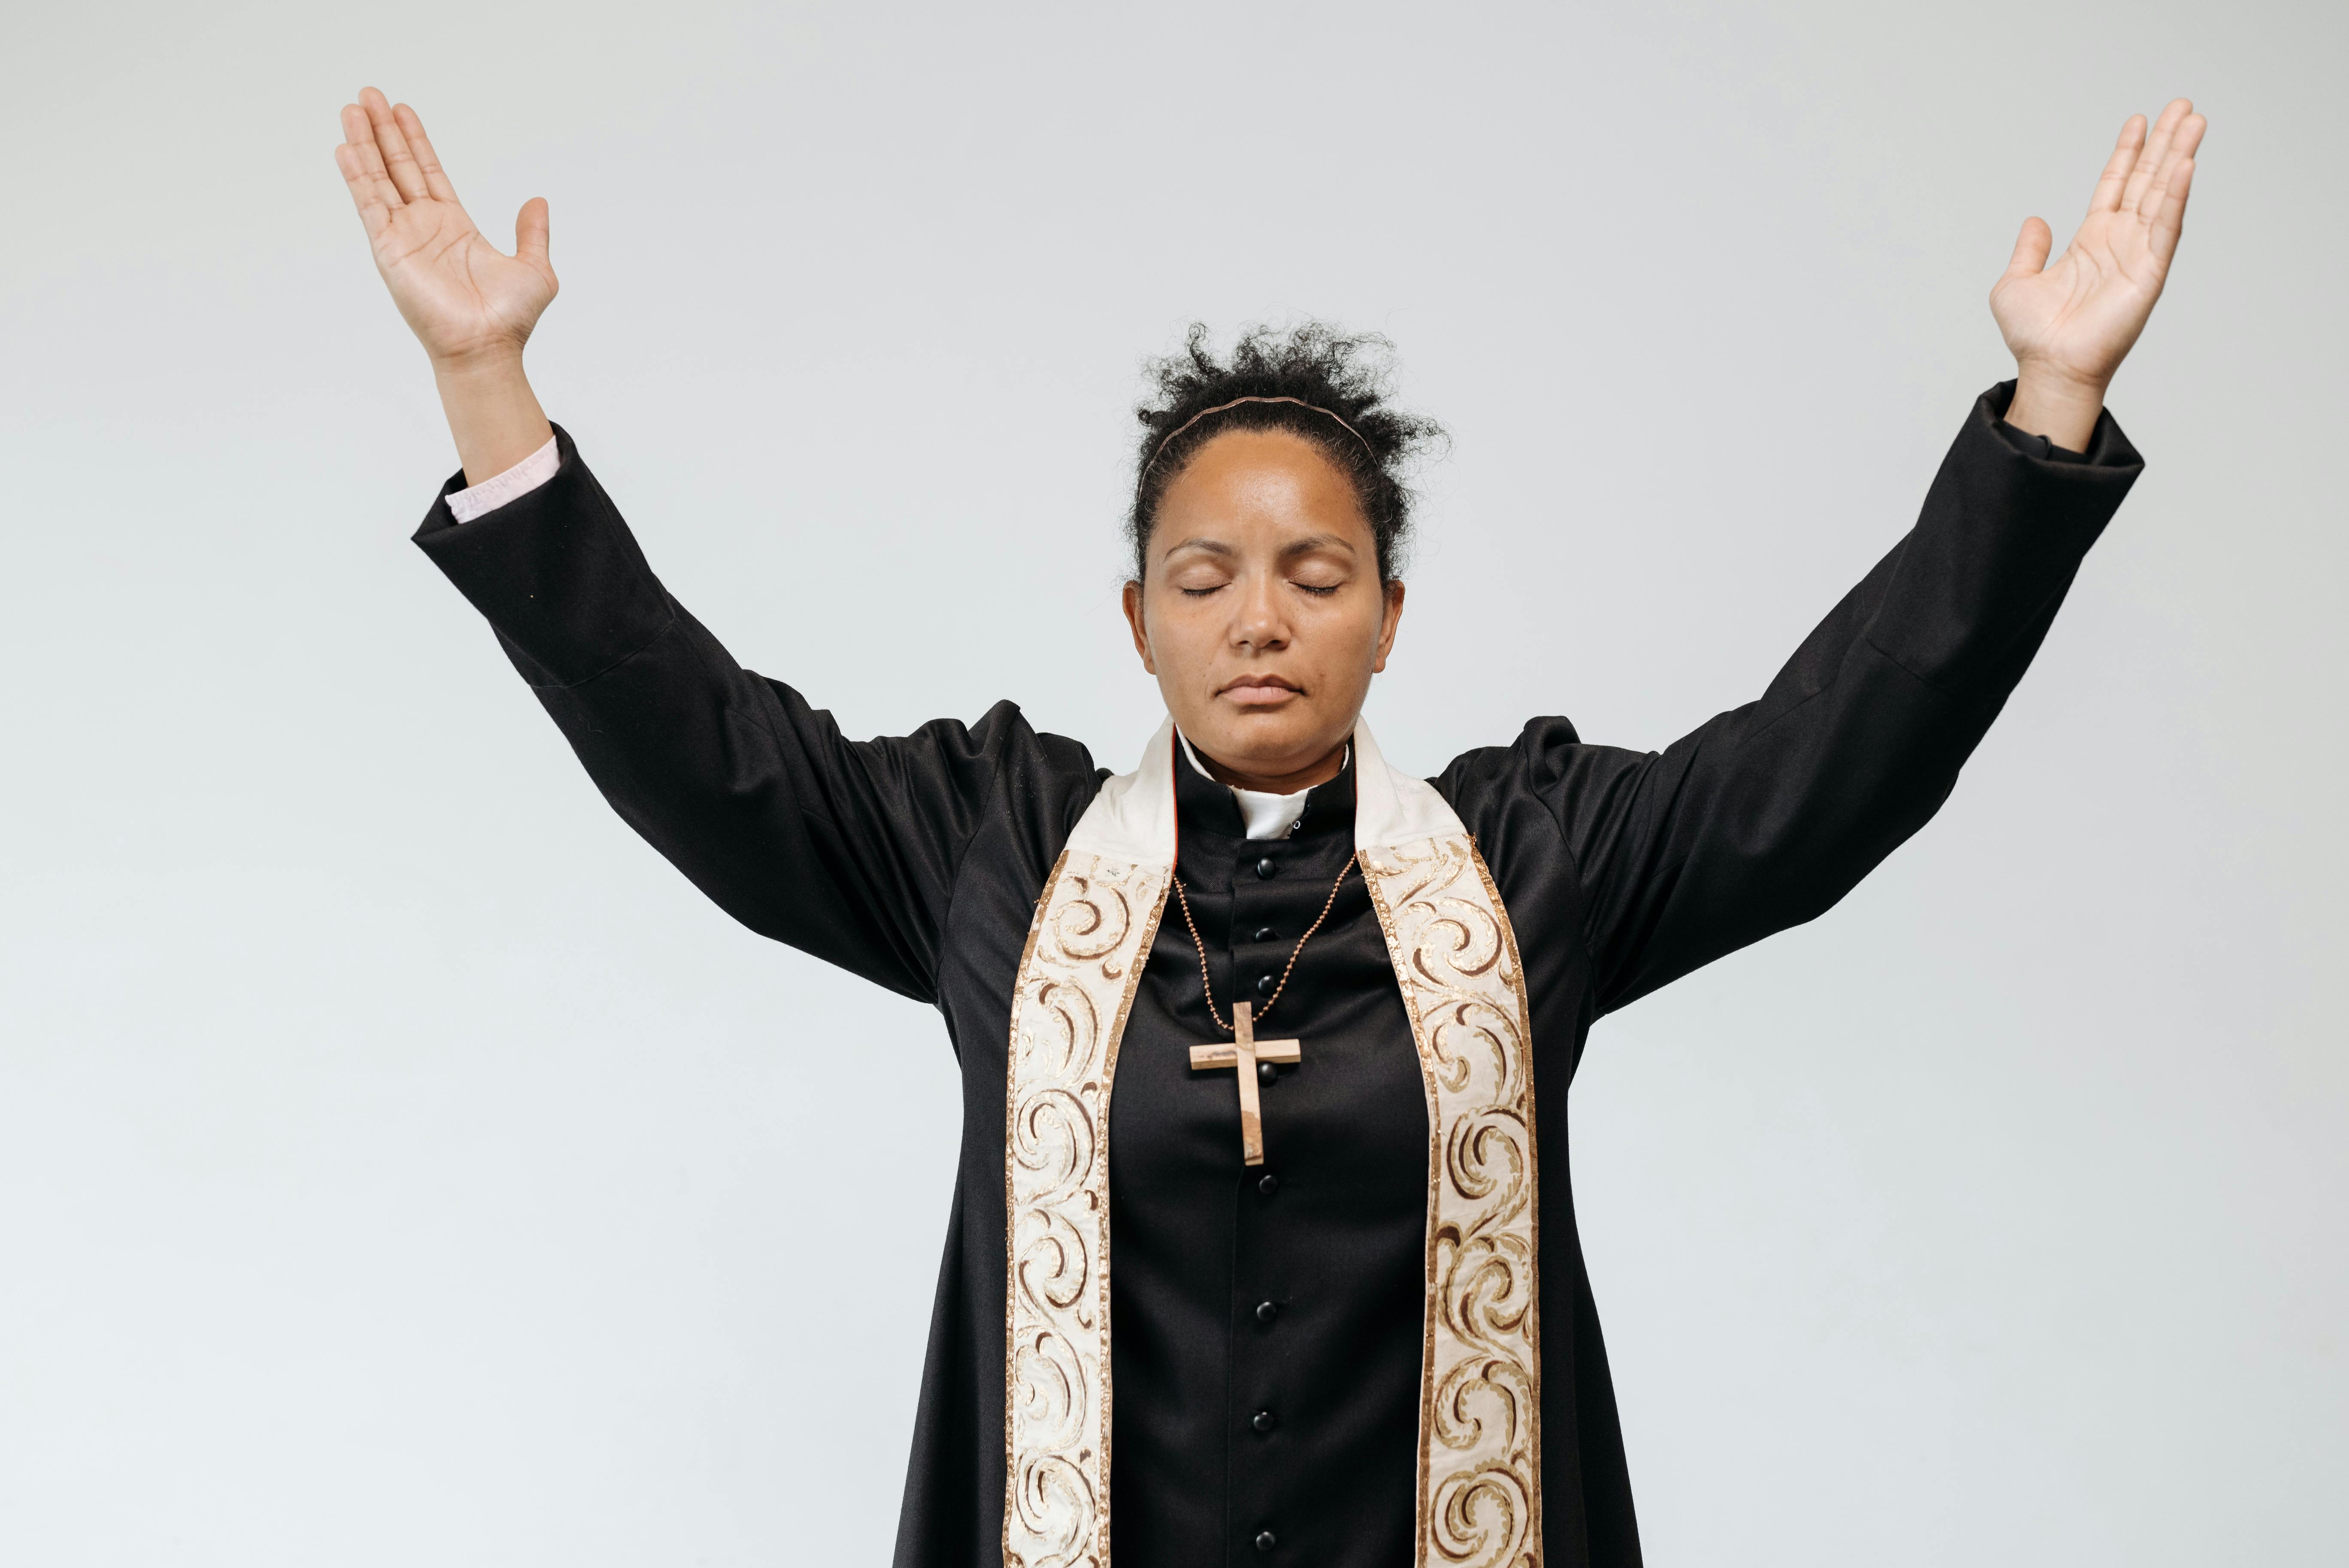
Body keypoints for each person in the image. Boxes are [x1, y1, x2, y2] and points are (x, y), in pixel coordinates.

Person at [333, 86, 2203, 1568]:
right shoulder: (992, 853)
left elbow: (1831, 759)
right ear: (1131, 617)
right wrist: (488, 392)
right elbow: (700, 750)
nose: (1257, 617)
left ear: (1391, 613)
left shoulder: (1528, 865)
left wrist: (2049, 408)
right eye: (1204, 573)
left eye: (1314, 573)